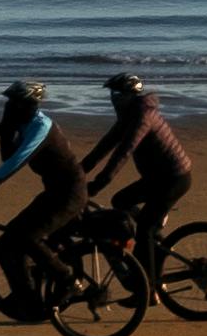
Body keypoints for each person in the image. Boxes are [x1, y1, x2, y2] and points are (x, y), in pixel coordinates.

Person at [0, 79, 93, 312]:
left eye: (14, 102)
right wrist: (5, 130)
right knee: (8, 242)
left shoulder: (41, 127)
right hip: (54, 192)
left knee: (27, 237)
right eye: (9, 102)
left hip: (70, 194)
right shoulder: (23, 124)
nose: (10, 106)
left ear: (28, 104)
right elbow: (8, 156)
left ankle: (68, 280)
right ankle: (25, 296)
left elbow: (18, 160)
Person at [78, 68, 194, 265]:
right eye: (111, 94)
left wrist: (100, 183)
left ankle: (148, 286)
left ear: (129, 96)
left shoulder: (142, 117)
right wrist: (76, 172)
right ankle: (152, 230)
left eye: (116, 94)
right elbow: (104, 147)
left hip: (174, 178)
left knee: (144, 231)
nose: (113, 99)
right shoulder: (128, 116)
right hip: (156, 178)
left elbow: (123, 152)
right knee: (121, 201)